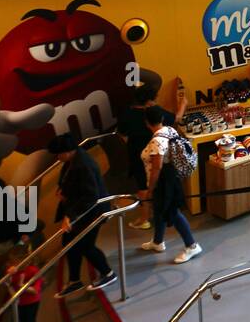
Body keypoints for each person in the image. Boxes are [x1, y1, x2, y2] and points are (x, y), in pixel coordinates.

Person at [52, 133, 119, 297]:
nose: (57, 157)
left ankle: (108, 273)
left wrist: (70, 216)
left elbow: (91, 196)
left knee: (85, 245)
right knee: (69, 242)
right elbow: (71, 182)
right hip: (81, 210)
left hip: (92, 212)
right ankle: (74, 280)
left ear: (67, 151)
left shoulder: (83, 164)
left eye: (58, 153)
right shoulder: (73, 160)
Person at [116, 75, 185, 231]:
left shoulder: (127, 113)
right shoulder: (154, 112)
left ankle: (144, 219)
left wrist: (130, 142)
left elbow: (121, 133)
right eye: (155, 98)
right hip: (154, 155)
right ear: (149, 101)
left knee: (142, 185)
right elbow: (177, 118)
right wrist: (183, 104)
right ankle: (151, 217)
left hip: (135, 153)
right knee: (154, 185)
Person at [137, 108, 203, 265]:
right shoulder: (170, 130)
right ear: (161, 118)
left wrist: (150, 190)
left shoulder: (156, 142)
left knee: (173, 212)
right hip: (172, 177)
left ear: (146, 123)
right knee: (159, 210)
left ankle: (192, 245)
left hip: (163, 182)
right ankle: (157, 242)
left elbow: (156, 169)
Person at [2, 243, 50, 322]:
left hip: (30, 304)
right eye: (11, 261)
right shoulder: (13, 269)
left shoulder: (33, 271)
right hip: (18, 304)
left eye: (14, 262)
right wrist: (8, 279)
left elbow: (35, 290)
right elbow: (9, 284)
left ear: (24, 261)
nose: (11, 264)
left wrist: (22, 285)